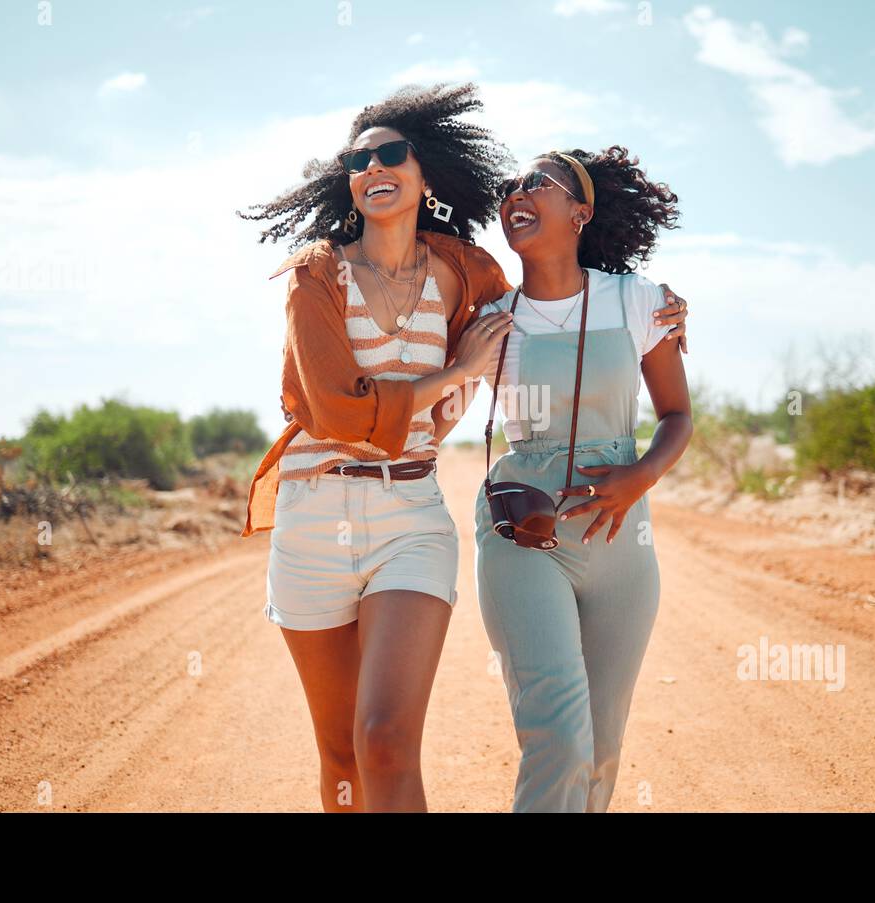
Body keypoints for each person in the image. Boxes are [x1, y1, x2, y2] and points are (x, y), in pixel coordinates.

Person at [235, 84, 692, 812]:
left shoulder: (497, 282)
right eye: (359, 158)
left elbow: (635, 371)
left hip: (482, 519)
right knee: (358, 748)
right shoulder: (371, 285)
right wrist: (453, 374)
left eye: (392, 153)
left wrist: (666, 315)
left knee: (427, 741)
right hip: (379, 514)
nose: (374, 166)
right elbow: (340, 407)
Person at [473, 146, 693, 812]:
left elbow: (678, 415)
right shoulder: (488, 317)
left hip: (622, 541)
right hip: (525, 531)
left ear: (581, 211)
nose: (519, 192)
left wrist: (641, 475)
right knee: (559, 740)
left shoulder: (639, 301)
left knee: (599, 752)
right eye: (511, 186)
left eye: (538, 182)